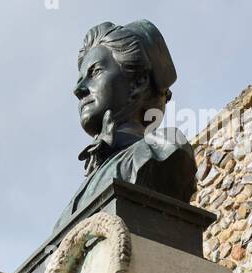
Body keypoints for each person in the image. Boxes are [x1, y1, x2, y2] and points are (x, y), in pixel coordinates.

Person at [52, 19, 196, 241]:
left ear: (138, 81)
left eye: (95, 72)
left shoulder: (163, 150)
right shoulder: (69, 208)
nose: (79, 90)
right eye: (81, 79)